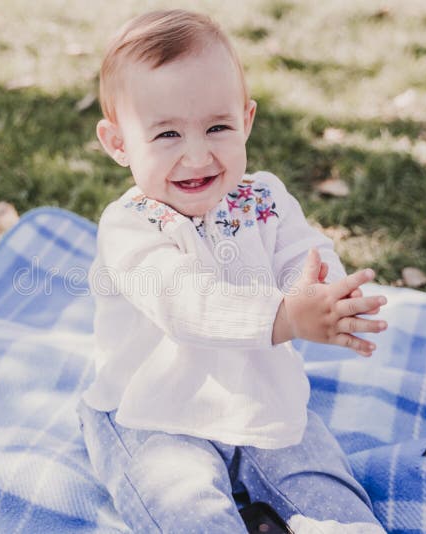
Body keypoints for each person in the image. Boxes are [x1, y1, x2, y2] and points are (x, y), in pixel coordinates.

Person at [76, 9, 388, 533]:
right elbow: (184, 303)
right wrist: (286, 316)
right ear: (118, 143)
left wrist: (322, 292)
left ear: (245, 120)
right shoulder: (129, 226)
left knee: (325, 487)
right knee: (184, 507)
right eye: (167, 135)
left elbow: (301, 252)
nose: (197, 155)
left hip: (257, 396)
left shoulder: (263, 197)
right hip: (149, 412)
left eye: (217, 127)